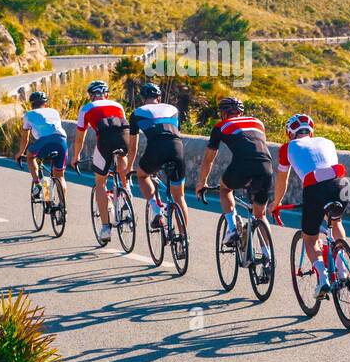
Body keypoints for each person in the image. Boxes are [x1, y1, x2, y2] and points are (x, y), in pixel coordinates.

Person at [271, 113, 350, 301]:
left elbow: (282, 181)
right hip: (344, 183)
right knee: (336, 222)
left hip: (315, 186)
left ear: (290, 134)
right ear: (311, 131)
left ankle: (322, 278)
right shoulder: (327, 141)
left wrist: (276, 204)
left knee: (310, 238)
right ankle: (343, 268)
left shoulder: (287, 148)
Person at [197, 97, 274, 249]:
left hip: (243, 165)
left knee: (225, 189)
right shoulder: (257, 122)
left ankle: (232, 228)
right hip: (266, 166)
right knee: (261, 215)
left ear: (224, 113)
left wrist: (202, 182)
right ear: (241, 112)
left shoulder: (221, 126)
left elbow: (208, 159)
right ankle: (268, 256)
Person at [71, 79, 130, 243]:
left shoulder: (86, 109)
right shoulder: (118, 106)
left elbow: (79, 138)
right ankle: (126, 190)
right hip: (124, 139)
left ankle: (105, 228)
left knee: (100, 182)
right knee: (121, 155)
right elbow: (122, 127)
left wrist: (76, 156)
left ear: (91, 96)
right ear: (107, 95)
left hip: (104, 142)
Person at [126, 82, 187, 230]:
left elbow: (133, 147)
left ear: (143, 99)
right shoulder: (173, 109)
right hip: (177, 148)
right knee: (179, 197)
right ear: (159, 98)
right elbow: (174, 131)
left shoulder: (137, 113)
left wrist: (129, 168)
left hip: (155, 149)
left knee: (142, 175)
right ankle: (184, 241)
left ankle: (156, 209)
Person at [14, 89, 67, 189]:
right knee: (60, 176)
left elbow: (25, 138)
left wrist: (20, 153)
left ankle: (38, 184)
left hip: (44, 141)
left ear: (32, 105)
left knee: (30, 156)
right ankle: (62, 204)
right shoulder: (54, 111)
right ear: (46, 104)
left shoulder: (28, 114)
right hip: (61, 139)